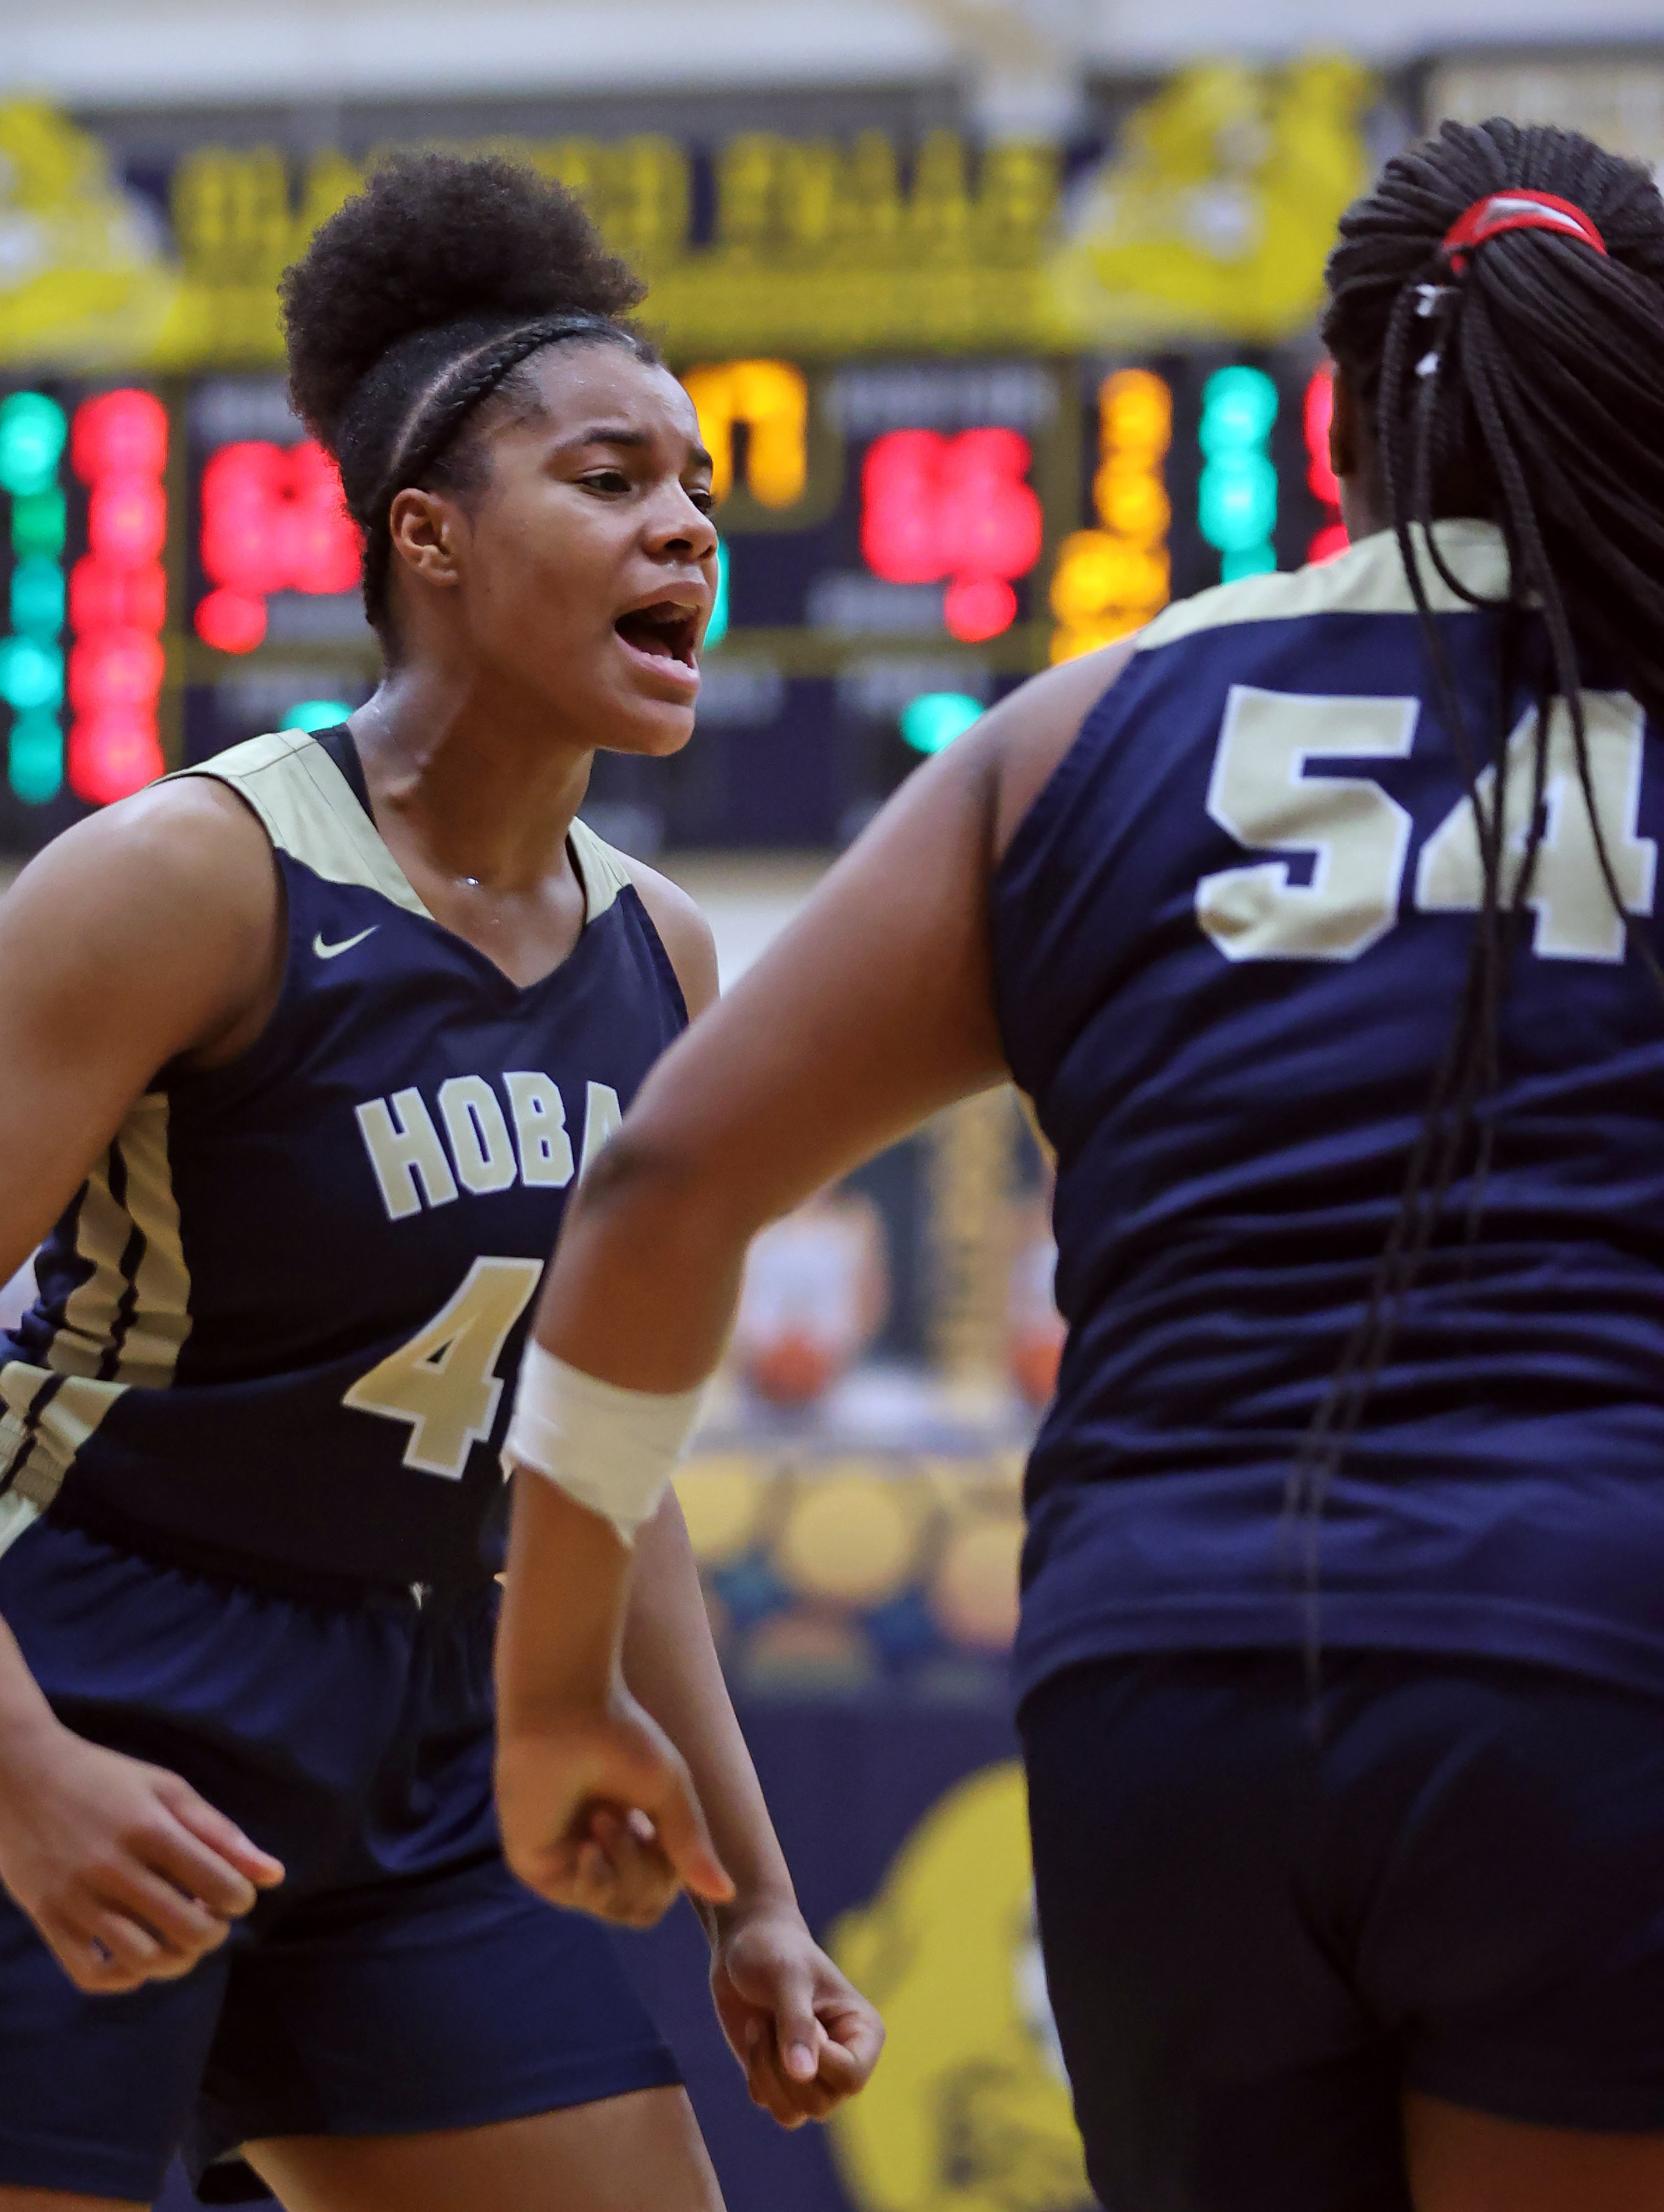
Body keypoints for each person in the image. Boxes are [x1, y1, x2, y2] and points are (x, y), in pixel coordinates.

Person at [492, 118, 1664, 2212]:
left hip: (1165, 1674)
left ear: (1333, 430)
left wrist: (556, 1684)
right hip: (1592, 1651)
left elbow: (661, 1183)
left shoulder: (1078, 733)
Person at [0, 152, 880, 2212]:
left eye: (698, 489)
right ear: (426, 537)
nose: (687, 528)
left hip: (424, 1715)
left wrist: (757, 1895)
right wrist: (15, 1763)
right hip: (83, 1664)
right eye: (612, 479)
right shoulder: (191, 876)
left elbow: (601, 1464)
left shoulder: (663, 957)